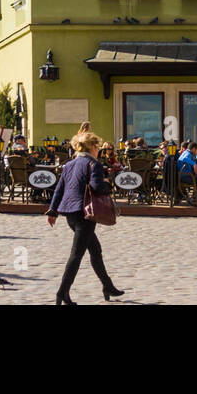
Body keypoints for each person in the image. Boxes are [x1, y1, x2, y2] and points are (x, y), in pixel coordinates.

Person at [46, 130, 124, 304]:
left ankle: (108, 286)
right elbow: (97, 187)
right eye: (97, 146)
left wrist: (52, 212)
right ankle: (62, 293)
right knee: (76, 255)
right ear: (91, 147)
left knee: (95, 250)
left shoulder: (69, 164)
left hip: (70, 214)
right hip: (85, 214)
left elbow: (59, 189)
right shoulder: (93, 164)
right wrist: (108, 185)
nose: (99, 150)